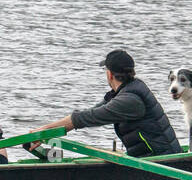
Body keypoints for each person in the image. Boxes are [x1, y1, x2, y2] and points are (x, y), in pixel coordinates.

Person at [31, 49, 181, 157]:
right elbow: (88, 114)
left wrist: (43, 131)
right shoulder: (126, 91)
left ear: (109, 74)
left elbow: (86, 118)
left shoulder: (129, 100)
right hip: (150, 157)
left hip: (160, 160)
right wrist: (45, 132)